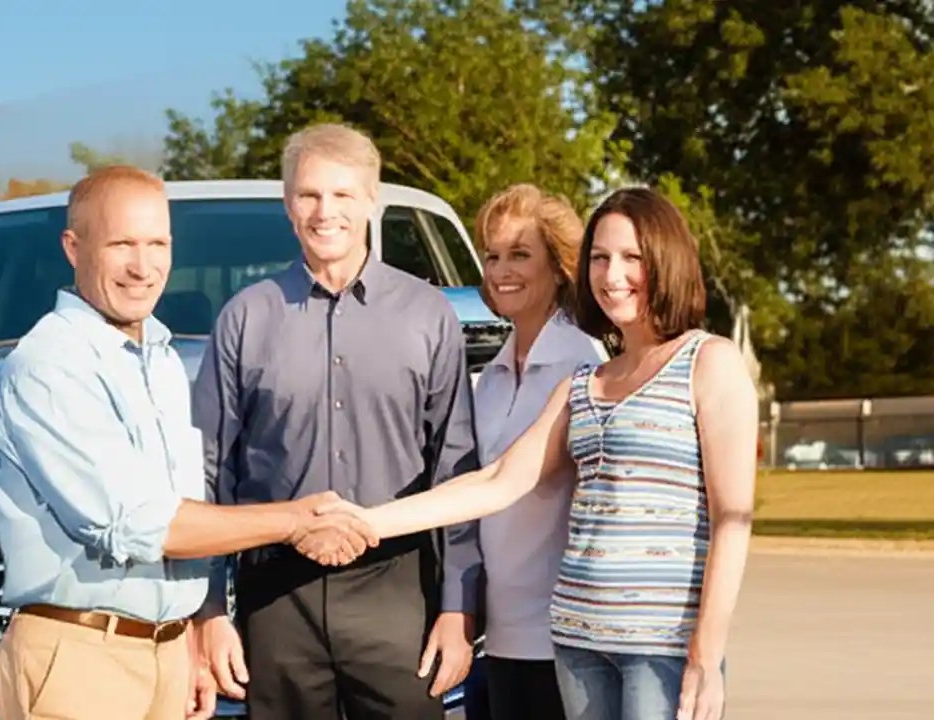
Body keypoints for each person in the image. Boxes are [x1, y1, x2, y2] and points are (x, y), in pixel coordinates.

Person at [319, 186, 758, 720]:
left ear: (666, 261)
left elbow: (732, 521)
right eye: (600, 258)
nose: (611, 274)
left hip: (660, 647)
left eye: (631, 257)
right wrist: (366, 520)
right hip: (577, 643)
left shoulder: (708, 361)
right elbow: (497, 480)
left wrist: (705, 656)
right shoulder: (585, 384)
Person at [0, 165, 378, 720]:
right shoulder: (50, 366)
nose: (143, 267)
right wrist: (297, 520)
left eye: (158, 244)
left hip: (167, 656)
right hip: (79, 661)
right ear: (73, 248)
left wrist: (191, 633)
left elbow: (190, 508)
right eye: (122, 244)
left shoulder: (164, 360)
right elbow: (142, 523)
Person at [191, 123, 482, 720]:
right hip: (276, 597)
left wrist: (459, 607)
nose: (326, 212)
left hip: (397, 593)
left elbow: (457, 468)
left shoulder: (428, 315)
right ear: (288, 205)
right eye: (309, 195)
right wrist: (209, 613)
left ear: (372, 199)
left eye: (343, 195)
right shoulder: (245, 317)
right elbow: (208, 471)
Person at [467, 184, 606, 719]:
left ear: (560, 265)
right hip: (498, 637)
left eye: (521, 254)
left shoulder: (584, 364)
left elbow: (502, 480)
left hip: (563, 641)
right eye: (493, 255)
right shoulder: (492, 377)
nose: (502, 269)